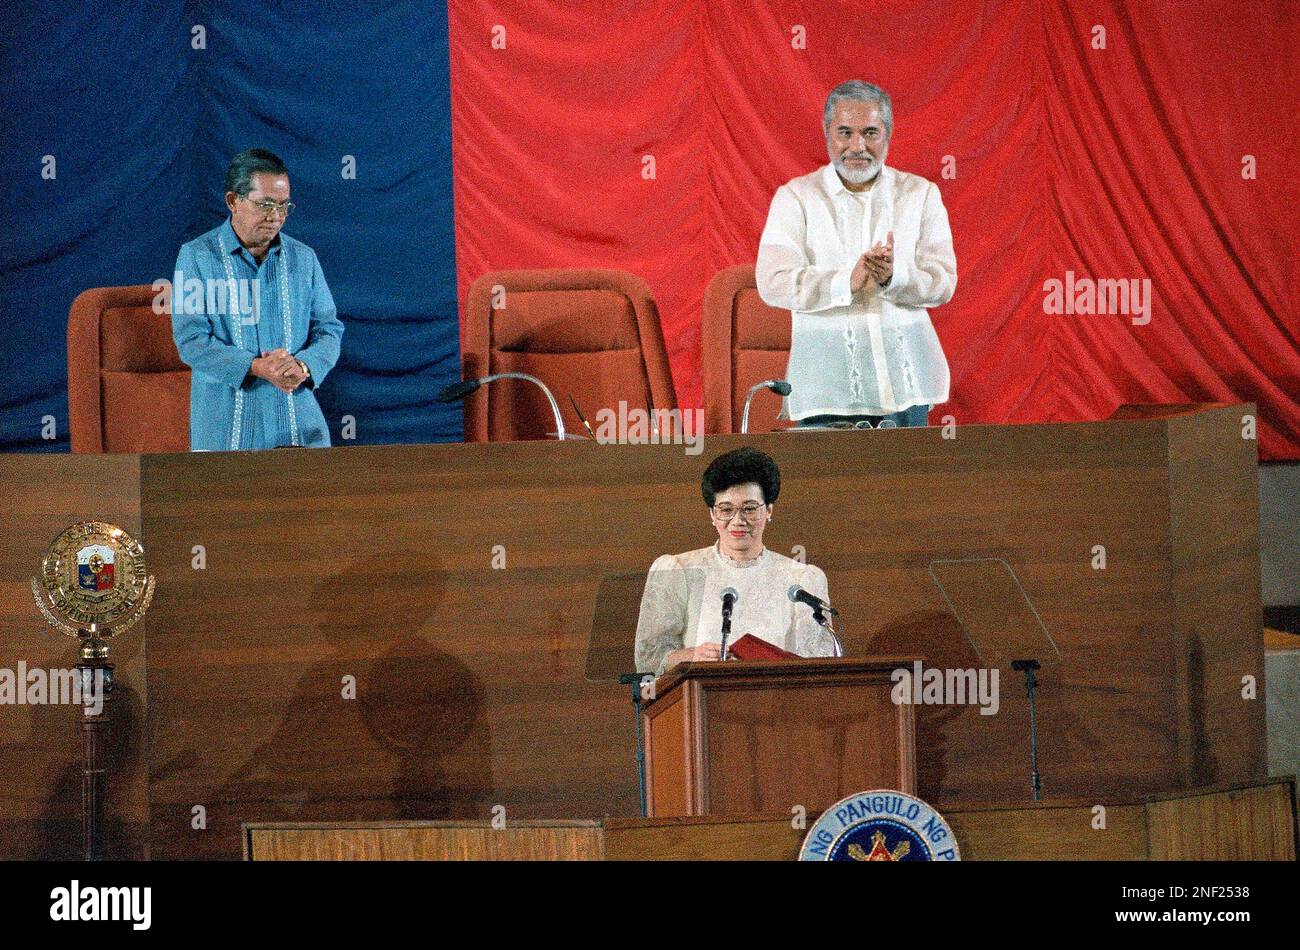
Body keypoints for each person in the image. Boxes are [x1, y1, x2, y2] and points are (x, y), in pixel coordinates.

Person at [756, 80, 957, 429]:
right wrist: (845, 281)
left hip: (907, 391)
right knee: (826, 486)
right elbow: (772, 282)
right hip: (826, 391)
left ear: (887, 135)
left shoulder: (920, 194)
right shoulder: (797, 197)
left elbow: (943, 282)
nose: (857, 146)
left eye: (870, 133)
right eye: (845, 133)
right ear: (827, 133)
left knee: (911, 485)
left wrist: (895, 277)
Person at [171, 148, 343, 451]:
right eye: (265, 204)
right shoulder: (197, 257)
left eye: (283, 206)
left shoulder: (303, 258)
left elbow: (329, 329)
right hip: (226, 431)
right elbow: (191, 341)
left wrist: (303, 367)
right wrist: (256, 367)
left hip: (298, 426)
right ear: (233, 201)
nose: (275, 217)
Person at [634, 447, 837, 676]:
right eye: (726, 509)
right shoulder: (679, 570)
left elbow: (819, 666)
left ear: (769, 510)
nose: (738, 520)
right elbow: (648, 660)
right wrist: (691, 657)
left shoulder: (802, 580)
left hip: (780, 704)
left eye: (749, 509)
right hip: (700, 703)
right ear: (712, 514)